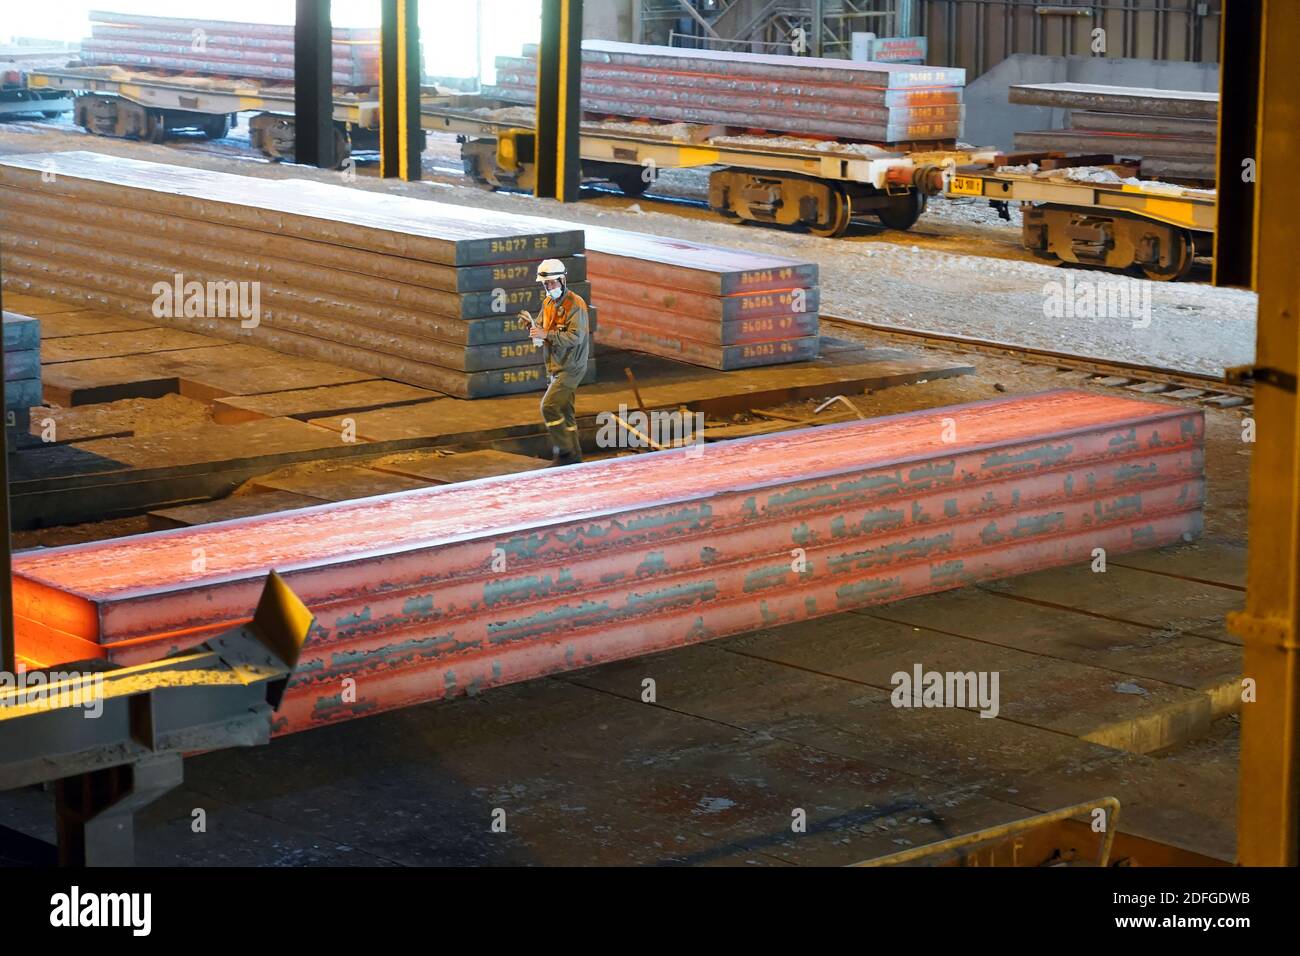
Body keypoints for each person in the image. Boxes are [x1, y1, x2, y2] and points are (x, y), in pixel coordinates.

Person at [520, 258, 590, 466]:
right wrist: (532, 328)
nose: (550, 287)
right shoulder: (548, 303)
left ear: (563, 280)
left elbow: (575, 337)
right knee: (566, 413)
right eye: (546, 284)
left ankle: (565, 451)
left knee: (549, 406)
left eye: (552, 283)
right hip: (555, 365)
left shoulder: (575, 304)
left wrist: (546, 334)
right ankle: (574, 458)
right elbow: (542, 326)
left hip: (572, 366)